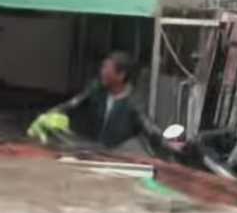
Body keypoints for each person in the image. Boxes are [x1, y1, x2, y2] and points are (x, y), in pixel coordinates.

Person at [30, 51, 165, 152]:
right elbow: (72, 104)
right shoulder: (96, 89)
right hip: (91, 151)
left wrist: (166, 142)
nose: (102, 72)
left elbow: (148, 126)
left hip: (119, 156)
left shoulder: (134, 101)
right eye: (102, 67)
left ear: (121, 75)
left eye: (106, 68)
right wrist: (47, 115)